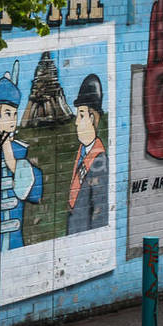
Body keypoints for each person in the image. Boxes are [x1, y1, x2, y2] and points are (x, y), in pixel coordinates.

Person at [0, 61, 42, 251]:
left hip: (15, 229)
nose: (9, 120)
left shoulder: (21, 149)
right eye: (4, 114)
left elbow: (28, 187)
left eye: (12, 114)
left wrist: (8, 151)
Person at [67, 74, 109, 235]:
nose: (76, 121)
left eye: (81, 115)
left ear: (92, 118)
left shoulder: (100, 161)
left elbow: (100, 212)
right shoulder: (82, 153)